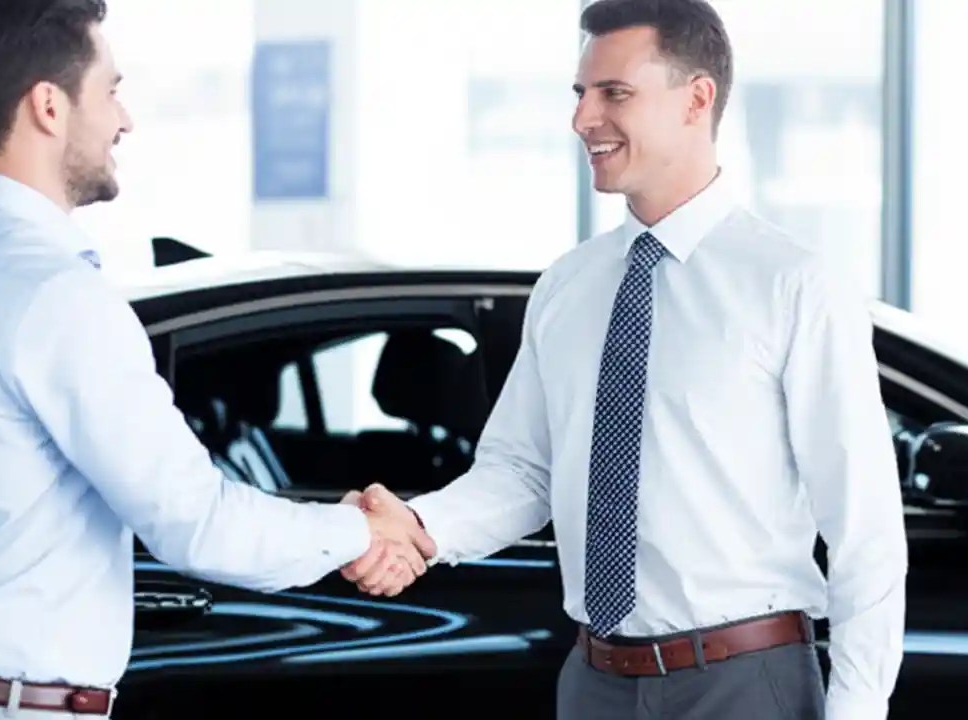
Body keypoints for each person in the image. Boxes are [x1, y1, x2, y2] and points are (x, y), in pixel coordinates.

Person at [0, 1, 431, 718]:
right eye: (112, 90)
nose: (125, 120)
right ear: (49, 107)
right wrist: (359, 531)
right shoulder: (57, 295)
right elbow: (195, 521)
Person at [342, 0, 908, 718]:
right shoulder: (568, 286)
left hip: (743, 682)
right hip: (595, 681)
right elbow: (524, 471)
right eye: (581, 94)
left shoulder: (790, 283)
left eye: (615, 93)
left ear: (695, 99)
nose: (583, 120)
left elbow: (864, 529)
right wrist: (423, 530)